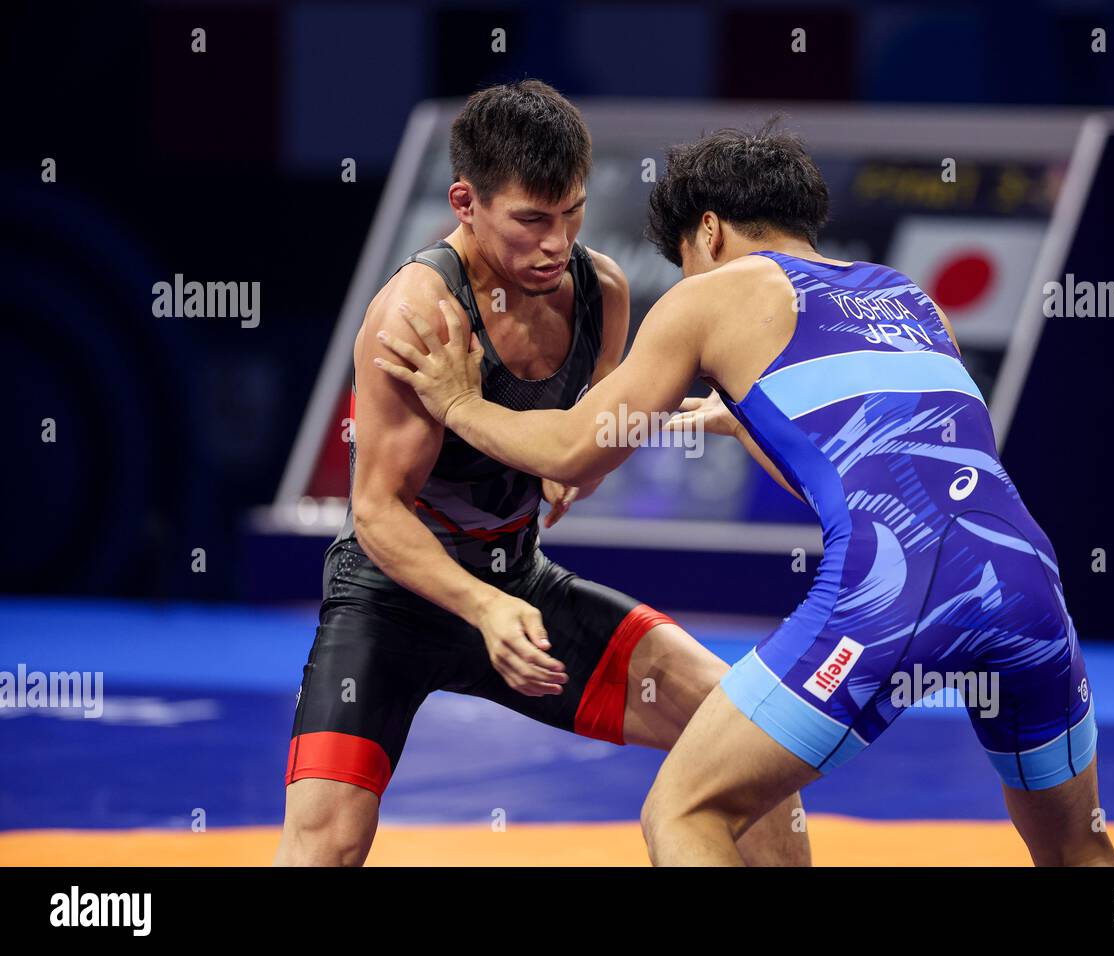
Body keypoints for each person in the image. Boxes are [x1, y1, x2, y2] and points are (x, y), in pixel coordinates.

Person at [373, 121, 1114, 867]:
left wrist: (459, 403)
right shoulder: (909, 299)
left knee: (685, 810)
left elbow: (571, 449)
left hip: (900, 586)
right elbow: (877, 474)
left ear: (709, 231)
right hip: (1027, 580)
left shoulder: (715, 294)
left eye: (687, 264)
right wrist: (752, 423)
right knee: (1076, 847)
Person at [274, 84, 808, 867]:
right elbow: (378, 513)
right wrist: (483, 607)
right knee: (324, 845)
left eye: (573, 214)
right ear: (466, 203)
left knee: (747, 741)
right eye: (531, 220)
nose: (556, 244)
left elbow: (588, 436)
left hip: (519, 586)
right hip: (390, 602)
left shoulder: (602, 291)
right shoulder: (415, 317)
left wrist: (570, 475)